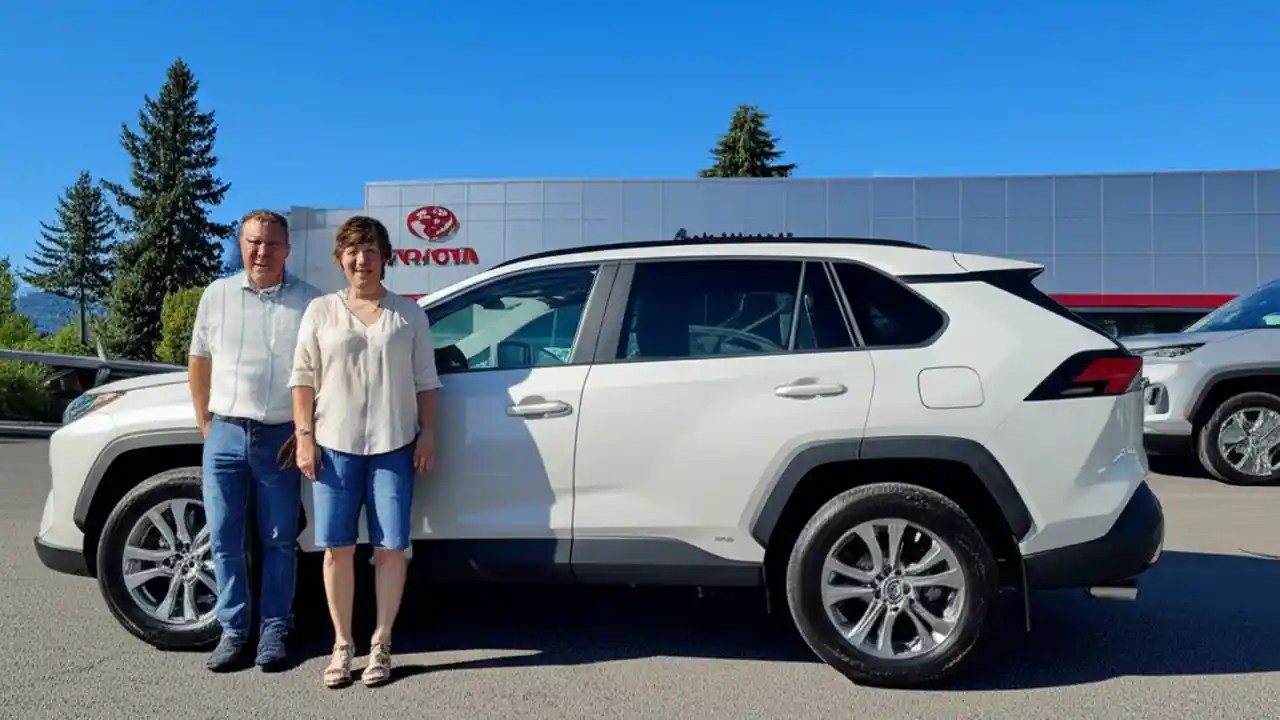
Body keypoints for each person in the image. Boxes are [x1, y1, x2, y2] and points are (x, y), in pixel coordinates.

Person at [288, 215, 441, 688]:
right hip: (334, 446)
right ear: (340, 260)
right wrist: (304, 436)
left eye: (372, 250)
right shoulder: (320, 312)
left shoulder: (408, 315)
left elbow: (425, 382)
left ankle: (381, 642)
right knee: (337, 548)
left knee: (391, 547)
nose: (362, 259)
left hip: (394, 446)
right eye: (353, 251)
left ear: (385, 258)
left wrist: (428, 432)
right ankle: (341, 645)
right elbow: (303, 377)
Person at [188, 209, 324, 672]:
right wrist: (208, 426)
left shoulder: (312, 303)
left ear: (287, 249)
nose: (261, 251)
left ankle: (275, 629)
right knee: (225, 537)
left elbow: (319, 374)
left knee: (279, 538)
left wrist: (307, 431)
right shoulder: (217, 295)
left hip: (281, 439)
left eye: (271, 243)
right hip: (225, 433)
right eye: (252, 242)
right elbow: (199, 362)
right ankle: (233, 630)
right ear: (241, 244)